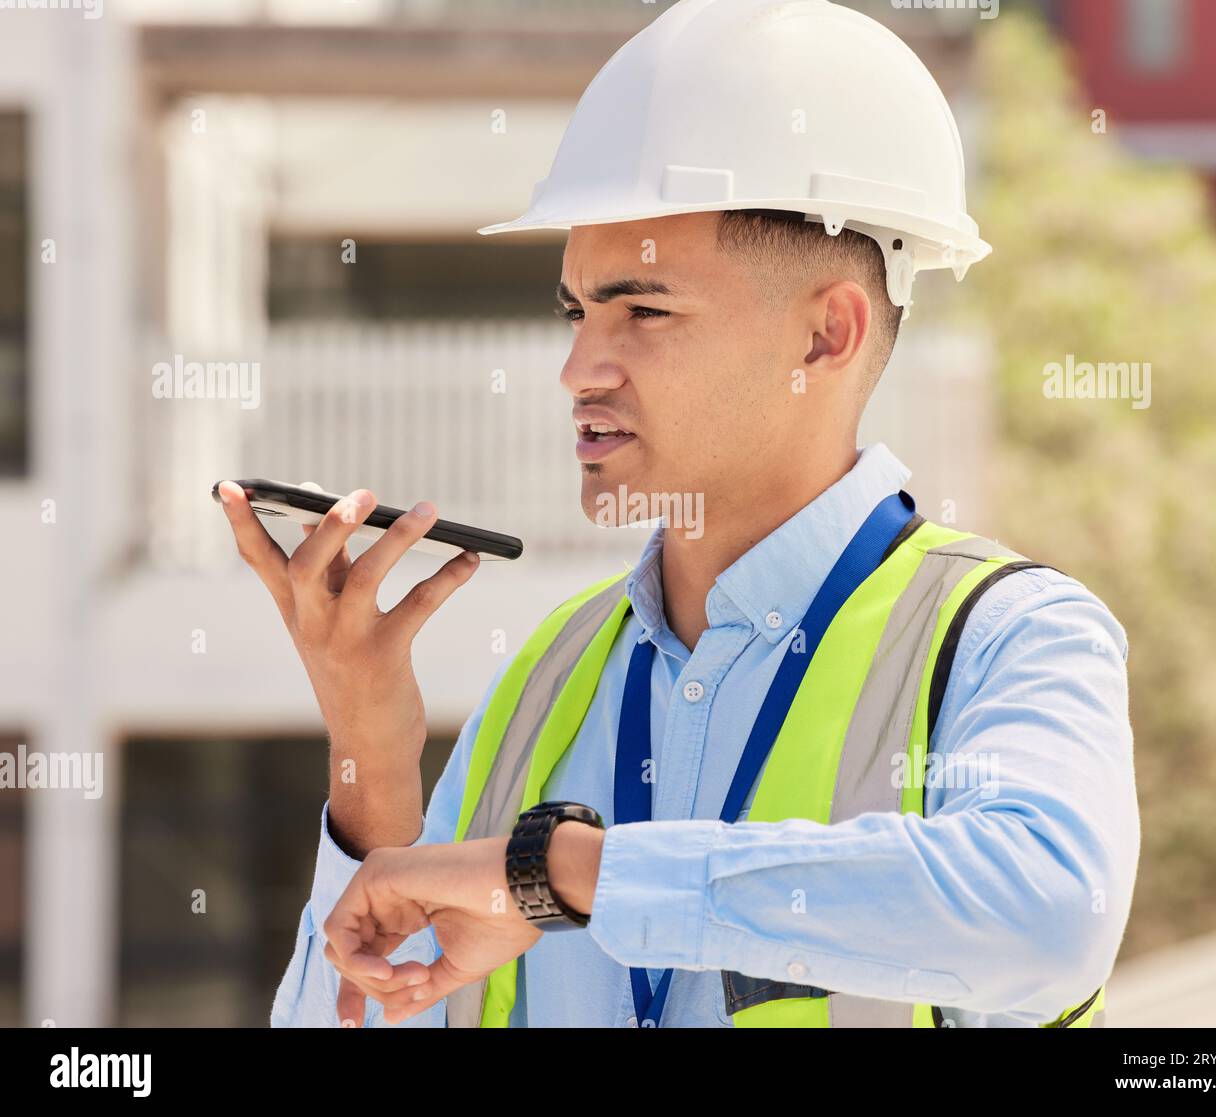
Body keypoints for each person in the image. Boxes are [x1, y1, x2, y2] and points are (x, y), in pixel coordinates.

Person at [219, 0, 1138, 1028]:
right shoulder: (545, 683)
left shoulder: (1009, 636)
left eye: (642, 309)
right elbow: (377, 1011)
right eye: (576, 312)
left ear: (826, 336)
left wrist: (569, 871)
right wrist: (370, 757)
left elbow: (1052, 915)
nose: (577, 368)